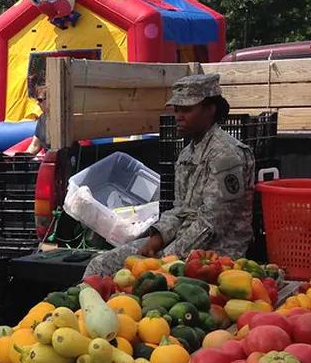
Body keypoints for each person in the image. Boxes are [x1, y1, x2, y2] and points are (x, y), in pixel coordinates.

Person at [84, 73, 255, 277]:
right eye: (176, 109)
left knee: (145, 278)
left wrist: (166, 257)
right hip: (182, 242)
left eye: (187, 110)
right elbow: (180, 210)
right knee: (100, 266)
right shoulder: (187, 153)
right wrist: (156, 239)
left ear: (210, 109)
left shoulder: (226, 155)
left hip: (217, 254)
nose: (178, 116)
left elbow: (211, 225)